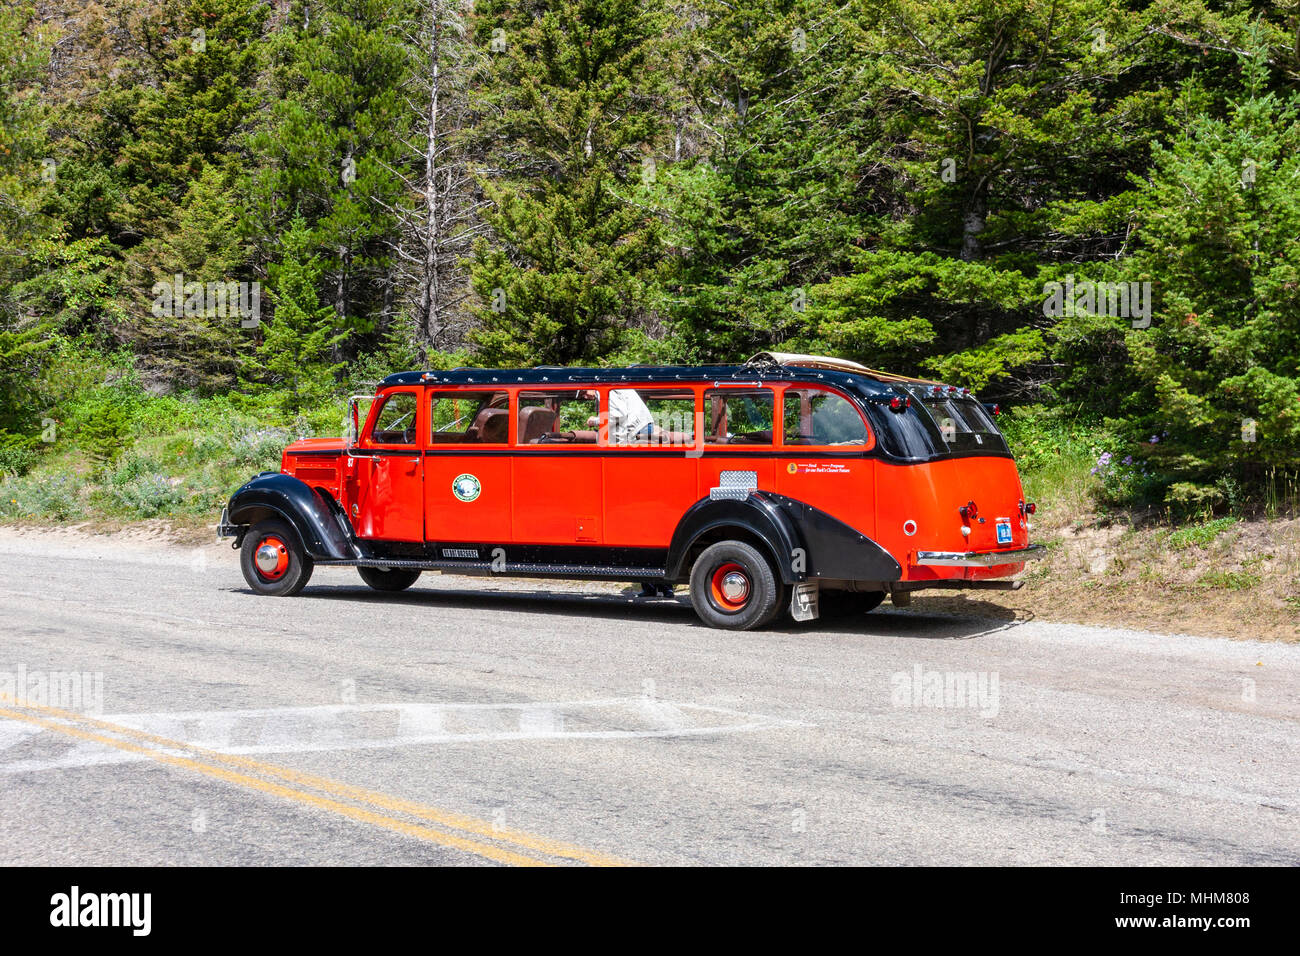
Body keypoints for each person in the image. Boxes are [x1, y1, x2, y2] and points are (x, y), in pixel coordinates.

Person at [584, 388, 655, 444]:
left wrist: (595, 421)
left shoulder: (605, 391)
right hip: (641, 426)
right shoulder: (608, 388)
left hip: (638, 428)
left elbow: (617, 415)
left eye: (584, 393)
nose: (585, 397)